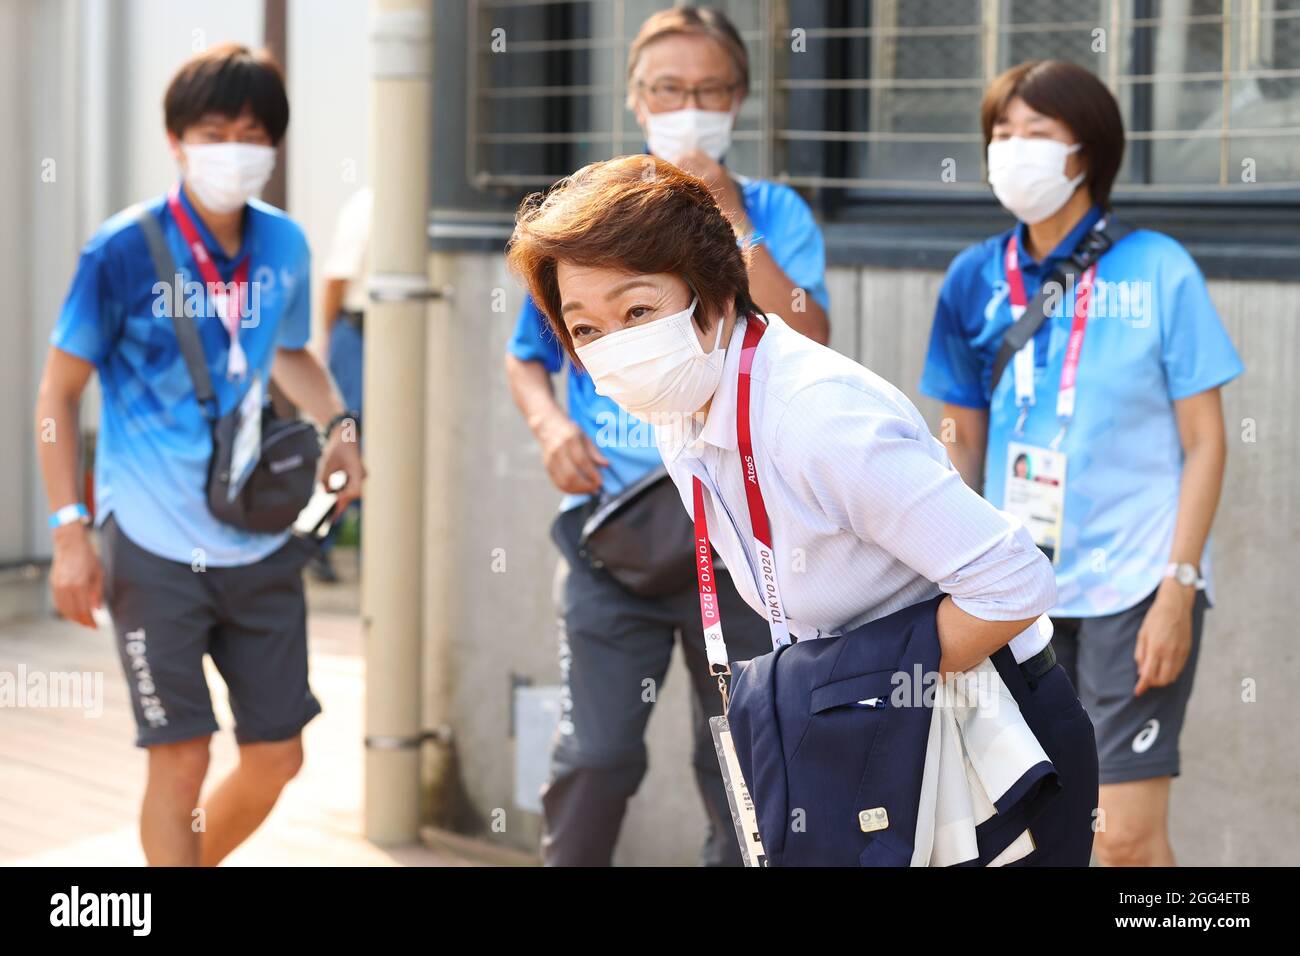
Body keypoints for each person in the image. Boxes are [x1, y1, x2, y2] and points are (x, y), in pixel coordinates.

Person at [506, 153, 1099, 866]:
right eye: (588, 329)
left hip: (987, 738)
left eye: (638, 311)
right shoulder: (679, 406)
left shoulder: (815, 418)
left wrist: (851, 684)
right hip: (867, 728)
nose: (618, 348)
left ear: (716, 298)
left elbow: (1015, 583)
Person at [503, 6, 829, 866]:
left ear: (740, 100)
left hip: (739, 544)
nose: (690, 105)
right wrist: (547, 427)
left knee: (742, 760)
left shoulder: (778, 211)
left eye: (710, 89)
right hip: (614, 537)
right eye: (669, 89)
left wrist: (727, 215)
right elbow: (529, 356)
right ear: (635, 99)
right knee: (597, 756)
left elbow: (812, 334)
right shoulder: (591, 215)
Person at [34, 43, 364, 866]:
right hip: (151, 540)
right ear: (176, 140)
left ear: (273, 146)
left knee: (279, 754)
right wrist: (70, 530)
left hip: (255, 534)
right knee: (181, 755)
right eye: (212, 130)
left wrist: (343, 429)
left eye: (251, 132)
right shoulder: (120, 251)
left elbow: (290, 352)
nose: (233, 148)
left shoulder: (283, 245)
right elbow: (56, 396)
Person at [919, 60, 1242, 866]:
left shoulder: (1158, 267)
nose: (1012, 150)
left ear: (1086, 152)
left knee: (1126, 838)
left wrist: (1181, 583)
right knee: (1034, 833)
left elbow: (1206, 441)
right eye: (1001, 134)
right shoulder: (972, 280)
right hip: (1015, 586)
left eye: (1037, 134)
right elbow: (960, 442)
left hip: (1136, 584)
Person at [311, 185, 373, 583]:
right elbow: (335, 280)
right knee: (347, 436)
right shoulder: (368, 203)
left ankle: (376, 550)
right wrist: (327, 342)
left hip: (393, 336)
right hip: (357, 334)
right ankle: (316, 537)